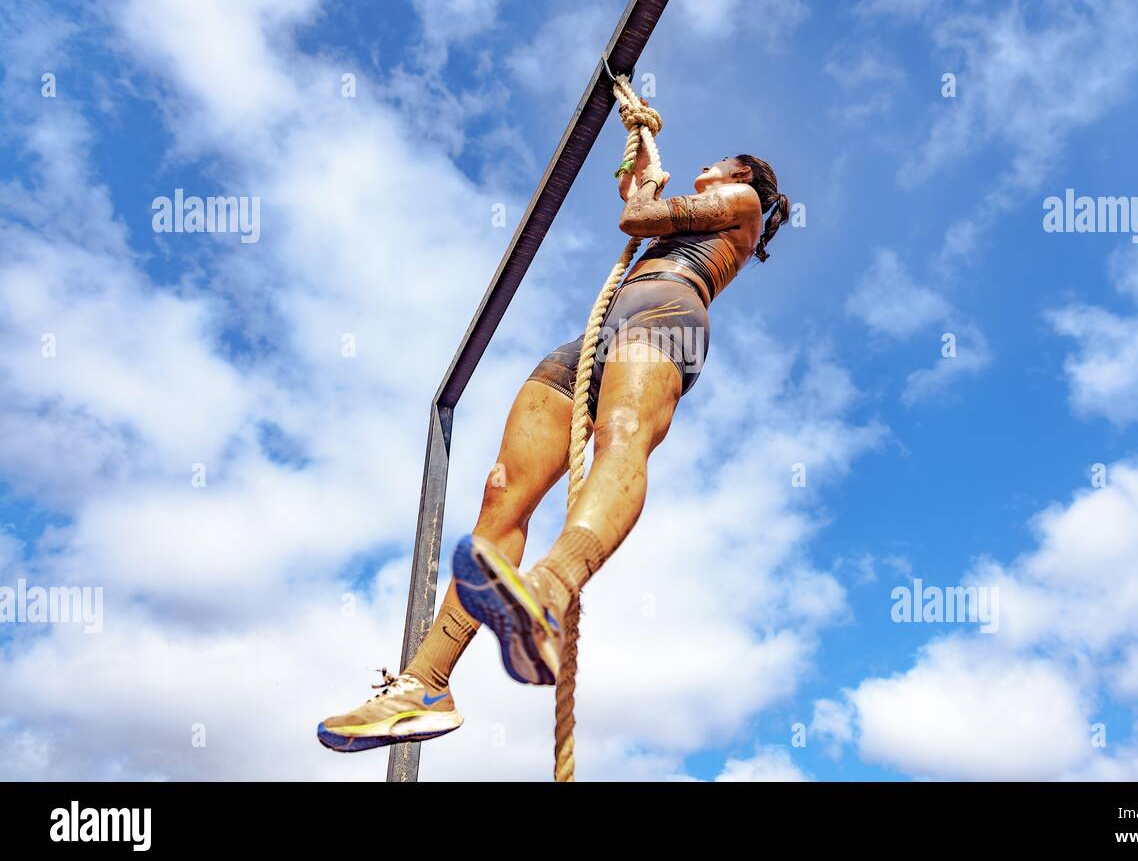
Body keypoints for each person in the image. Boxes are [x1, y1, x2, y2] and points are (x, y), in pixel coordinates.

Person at [318, 146, 791, 752]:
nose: (709, 163)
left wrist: (647, 190)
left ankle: (550, 588)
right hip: (601, 327)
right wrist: (640, 155)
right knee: (502, 491)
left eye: (721, 160)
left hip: (668, 308)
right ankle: (426, 683)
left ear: (742, 175)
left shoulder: (744, 202)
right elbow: (638, 201)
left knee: (622, 434)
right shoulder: (698, 200)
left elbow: (638, 219)